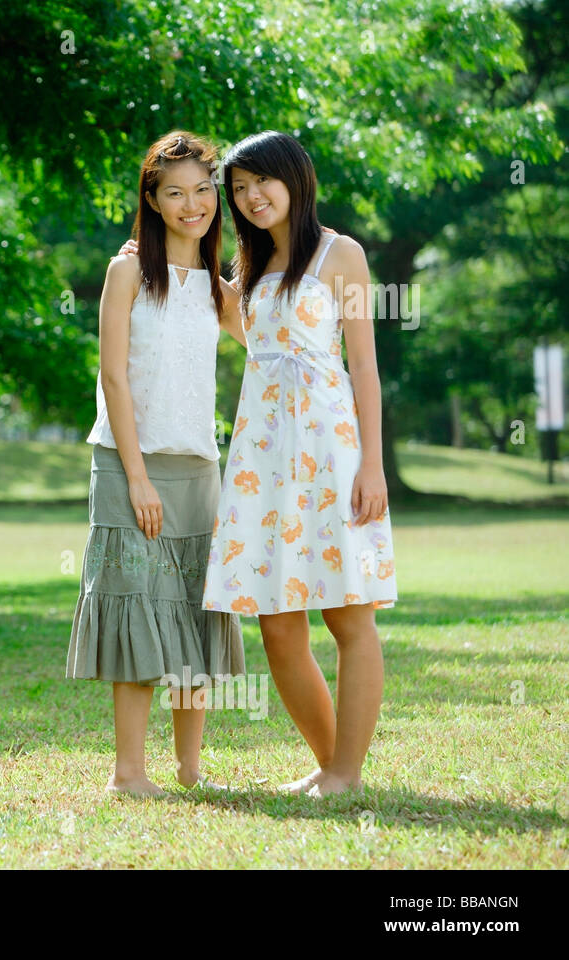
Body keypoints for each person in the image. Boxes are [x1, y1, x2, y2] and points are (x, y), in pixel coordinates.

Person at [201, 130, 396, 798]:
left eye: (263, 182)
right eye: (241, 189)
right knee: (277, 625)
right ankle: (332, 765)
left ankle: (345, 772)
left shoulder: (341, 255)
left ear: (296, 179)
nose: (253, 197)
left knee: (348, 614)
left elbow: (365, 368)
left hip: (331, 454)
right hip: (262, 458)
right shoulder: (248, 268)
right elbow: (252, 336)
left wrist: (372, 465)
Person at [66, 131, 245, 798]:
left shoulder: (219, 291)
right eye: (175, 192)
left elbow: (272, 339)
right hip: (126, 465)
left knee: (195, 616)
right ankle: (127, 774)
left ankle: (192, 771)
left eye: (203, 190)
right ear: (152, 198)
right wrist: (137, 477)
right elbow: (113, 379)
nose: (192, 203)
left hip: (198, 468)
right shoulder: (127, 273)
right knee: (137, 607)